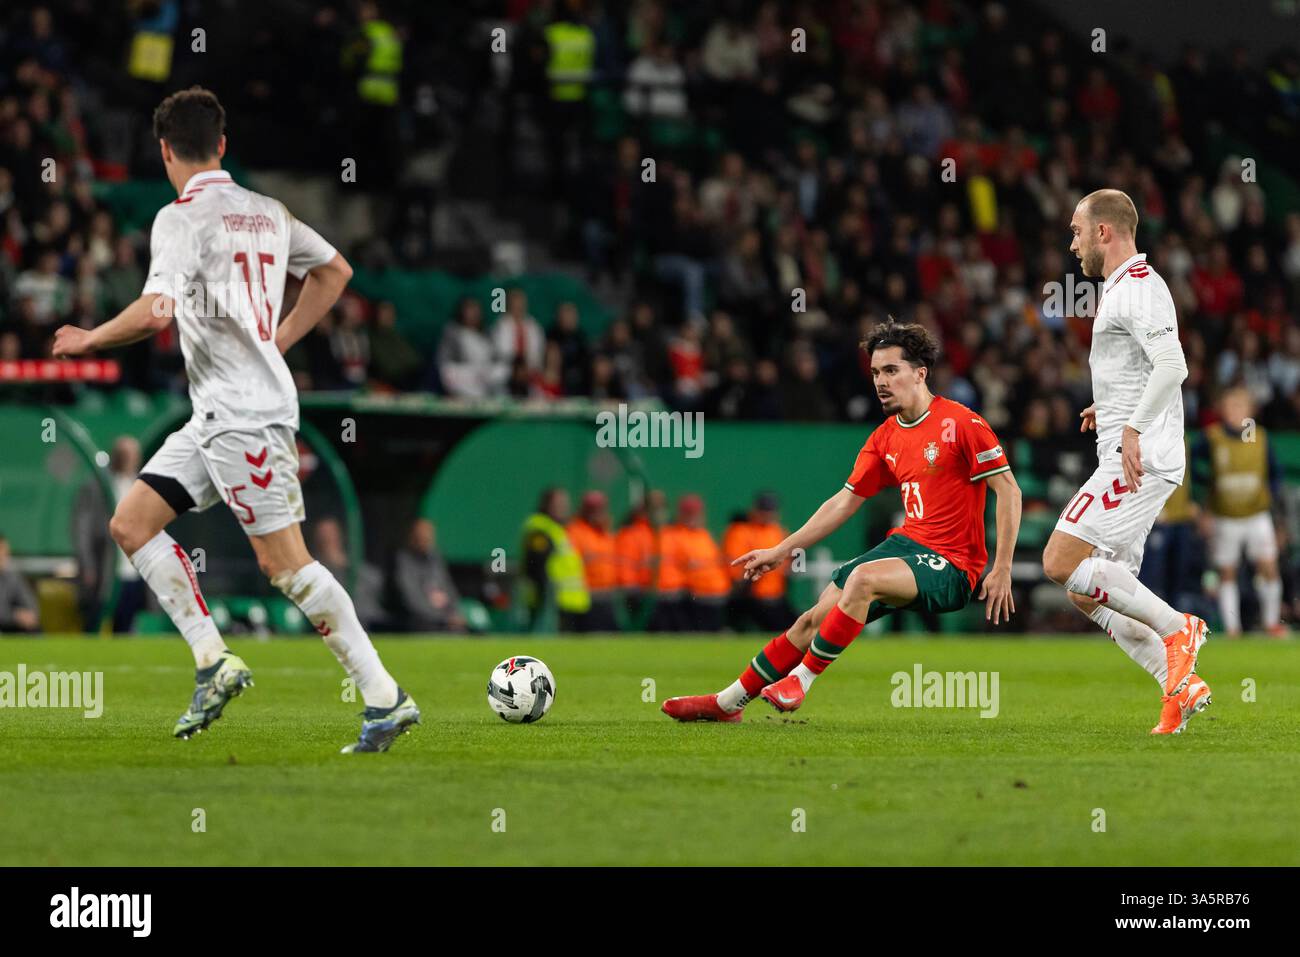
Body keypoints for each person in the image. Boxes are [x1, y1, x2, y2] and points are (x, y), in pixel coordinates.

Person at [50, 87, 418, 753]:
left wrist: (90, 337)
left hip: (243, 418)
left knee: (287, 565)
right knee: (131, 522)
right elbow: (335, 271)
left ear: (165, 150)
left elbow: (156, 311)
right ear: (222, 144)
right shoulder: (268, 212)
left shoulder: (179, 218)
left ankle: (384, 696)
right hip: (217, 412)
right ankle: (214, 659)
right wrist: (276, 340)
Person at [663, 320, 1020, 720]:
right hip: (907, 546)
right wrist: (782, 549)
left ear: (920, 373)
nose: (880, 382)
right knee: (811, 620)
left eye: (890, 371)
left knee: (861, 580)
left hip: (954, 564)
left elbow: (1008, 490)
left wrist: (1001, 567)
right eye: (874, 373)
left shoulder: (962, 423)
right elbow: (844, 503)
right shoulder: (884, 437)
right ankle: (727, 703)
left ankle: (802, 679)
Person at [1041, 189, 1209, 736]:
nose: (1073, 245)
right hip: (1136, 447)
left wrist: (1132, 427)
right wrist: (1111, 406)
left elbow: (1172, 365)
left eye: (1076, 232)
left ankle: (1179, 628)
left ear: (1104, 232)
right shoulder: (1125, 288)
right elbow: (1144, 369)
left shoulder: (1137, 289)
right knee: (1086, 590)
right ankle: (1178, 687)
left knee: (1059, 561)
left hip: (1137, 458)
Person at [1193, 386, 1286, 637]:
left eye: (1241, 407)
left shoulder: (1261, 439)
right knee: (1227, 571)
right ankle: (1233, 628)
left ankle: (1271, 622)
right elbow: (1194, 471)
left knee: (1268, 566)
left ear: (1251, 411)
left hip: (1257, 514)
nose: (1236, 412)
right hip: (1225, 516)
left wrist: (1277, 518)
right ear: (1222, 410)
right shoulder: (1210, 438)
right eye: (1231, 407)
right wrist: (1202, 506)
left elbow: (1275, 477)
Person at [520, 488, 590, 631]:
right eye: (558, 503)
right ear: (547, 504)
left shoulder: (560, 528)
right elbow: (536, 565)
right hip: (551, 601)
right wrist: (545, 593)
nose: (563, 507)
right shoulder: (540, 527)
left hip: (571, 601)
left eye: (565, 503)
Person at [722, 491, 791, 631]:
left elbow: (790, 562)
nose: (767, 515)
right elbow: (735, 567)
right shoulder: (741, 530)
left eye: (771, 511)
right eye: (764, 511)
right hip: (750, 596)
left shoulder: (778, 531)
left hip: (776, 596)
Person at [393, 518, 465, 633]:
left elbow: (449, 590)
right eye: (421, 537)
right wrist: (441, 617)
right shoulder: (404, 560)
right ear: (413, 538)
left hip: (444, 619)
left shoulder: (435, 559)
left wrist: (454, 613)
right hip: (420, 622)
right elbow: (411, 599)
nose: (425, 540)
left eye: (428, 537)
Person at [566, 491, 620, 631]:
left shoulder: (607, 533)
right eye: (593, 509)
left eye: (600, 508)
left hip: (608, 596)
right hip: (587, 596)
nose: (597, 513)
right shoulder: (575, 531)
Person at [0, 534, 40, 633]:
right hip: (7, 622)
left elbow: (31, 606)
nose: (4, 555)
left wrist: (27, 615)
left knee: (34, 629)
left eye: (6, 551)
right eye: (1, 550)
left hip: (10, 627)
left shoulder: (12, 577)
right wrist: (15, 616)